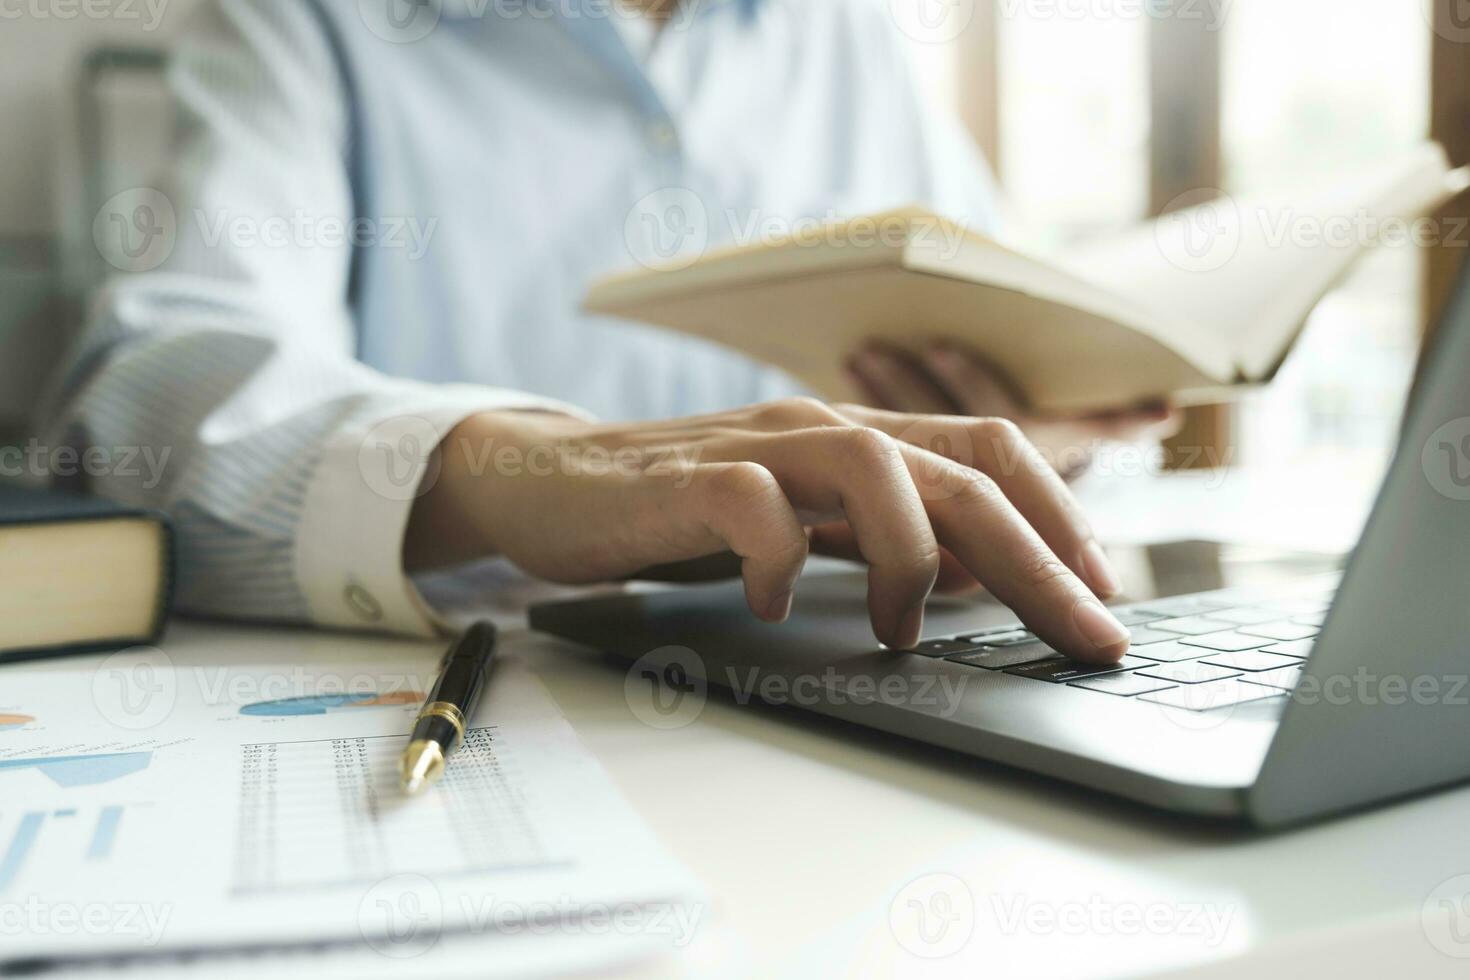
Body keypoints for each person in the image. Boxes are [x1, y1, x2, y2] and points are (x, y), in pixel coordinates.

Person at [49, 0, 1171, 662]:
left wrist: (1029, 419)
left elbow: (1000, 369)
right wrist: (536, 467)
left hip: (873, 662)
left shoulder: (843, 30)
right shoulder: (307, 22)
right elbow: (152, 404)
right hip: (509, 689)